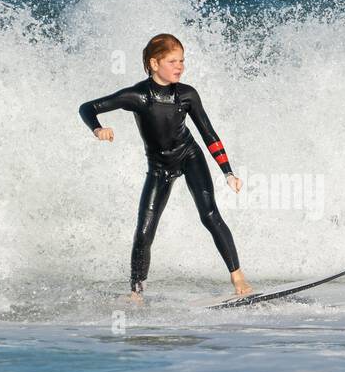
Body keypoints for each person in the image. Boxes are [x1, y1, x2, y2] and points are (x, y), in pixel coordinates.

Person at [79, 34, 252, 303]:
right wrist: (98, 128)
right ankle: (136, 292)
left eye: (182, 60)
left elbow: (209, 134)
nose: (180, 66)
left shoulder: (186, 94)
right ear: (154, 63)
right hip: (159, 167)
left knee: (209, 215)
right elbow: (87, 107)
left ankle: (238, 277)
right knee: (145, 230)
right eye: (172, 61)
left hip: (189, 156)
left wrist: (228, 172)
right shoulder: (137, 96)